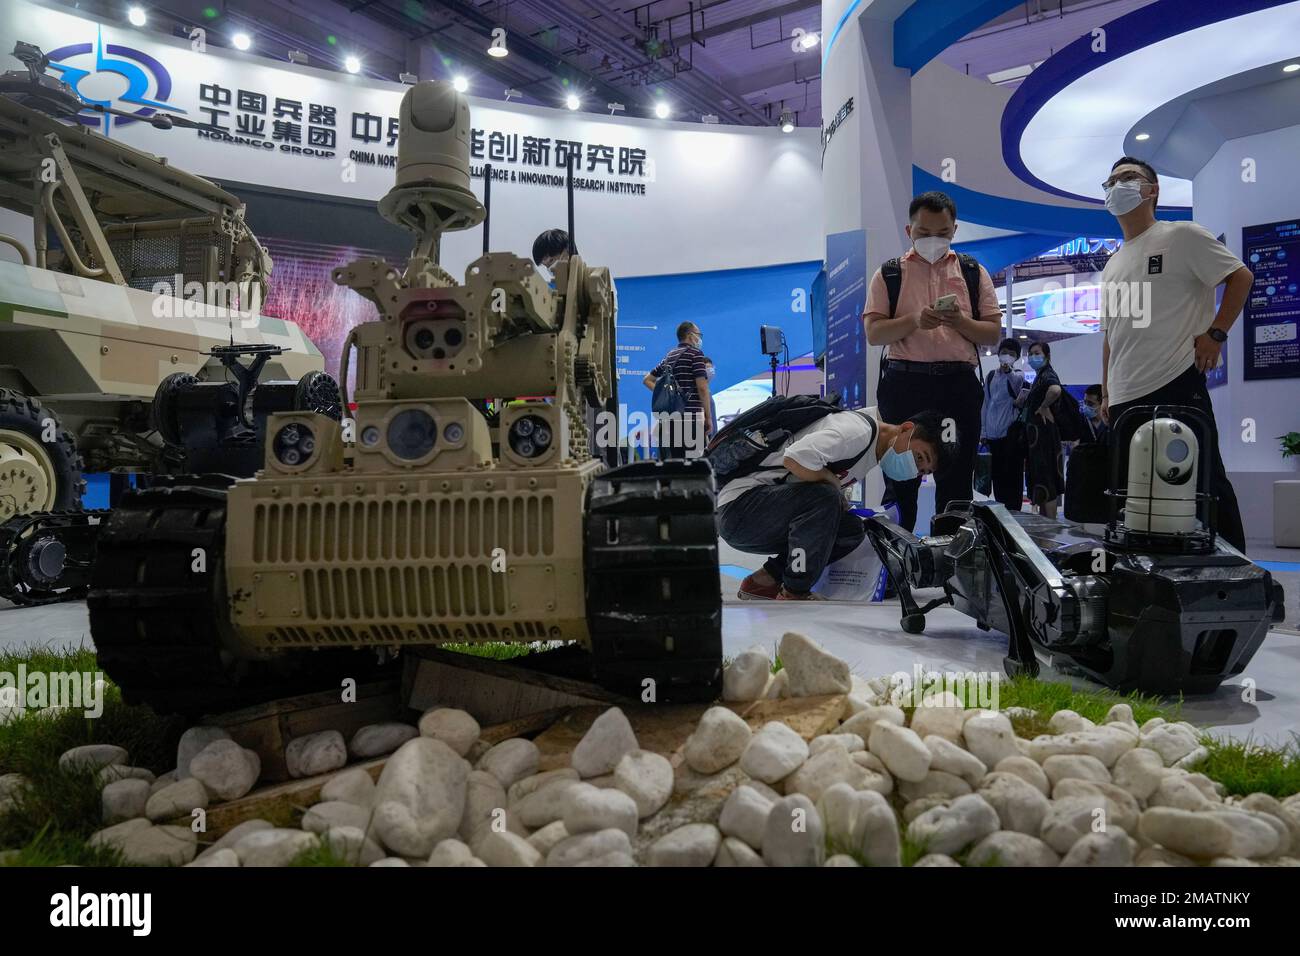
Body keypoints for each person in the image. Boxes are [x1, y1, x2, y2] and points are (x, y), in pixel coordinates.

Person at [1097, 156, 1252, 550]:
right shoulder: (1113, 263)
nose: (1117, 186)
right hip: (1125, 395)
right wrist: (1107, 391)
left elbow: (1241, 277)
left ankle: (1238, 569)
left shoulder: (1181, 236)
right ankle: (1151, 570)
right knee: (1136, 494)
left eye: (1128, 178)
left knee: (1202, 482)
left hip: (1175, 381)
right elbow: (1111, 334)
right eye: (1111, 182)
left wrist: (1216, 334)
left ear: (1152, 190)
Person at [863, 191, 1004, 531]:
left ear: (954, 230)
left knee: (956, 480)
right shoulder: (889, 274)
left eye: (942, 233)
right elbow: (874, 333)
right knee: (900, 478)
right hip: (904, 384)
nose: (933, 240)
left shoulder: (973, 272)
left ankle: (951, 555)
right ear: (909, 231)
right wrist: (913, 320)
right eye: (924, 232)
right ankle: (897, 556)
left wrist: (961, 322)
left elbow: (992, 333)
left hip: (957, 386)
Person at [718, 408, 956, 601]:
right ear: (906, 429)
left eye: (923, 471)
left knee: (851, 528)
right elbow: (794, 458)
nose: (916, 469)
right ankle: (794, 591)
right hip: (740, 509)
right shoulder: (857, 432)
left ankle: (764, 581)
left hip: (758, 510)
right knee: (825, 497)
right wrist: (833, 485)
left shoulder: (872, 449)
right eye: (919, 457)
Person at [643, 321, 712, 458]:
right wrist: (708, 417)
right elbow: (702, 388)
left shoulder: (669, 356)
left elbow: (647, 380)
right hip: (691, 417)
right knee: (695, 462)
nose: (700, 339)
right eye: (699, 335)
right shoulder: (696, 354)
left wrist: (667, 395)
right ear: (690, 335)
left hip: (671, 419)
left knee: (677, 462)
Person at [980, 338, 1027, 511]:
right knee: (997, 480)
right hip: (992, 438)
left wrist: (1008, 371)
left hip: (1011, 438)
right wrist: (983, 433)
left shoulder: (1019, 375)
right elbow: (985, 404)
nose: (1007, 356)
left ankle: (1015, 515)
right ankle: (1002, 516)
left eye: (1011, 354)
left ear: (1017, 358)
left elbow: (1016, 383)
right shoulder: (991, 376)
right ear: (998, 354)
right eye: (1004, 352)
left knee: (1013, 481)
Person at [1022, 341, 1064, 519]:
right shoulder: (1040, 376)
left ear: (1047, 356)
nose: (1033, 357)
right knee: (1042, 480)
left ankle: (1050, 525)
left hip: (1044, 437)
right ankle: (1046, 522)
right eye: (1030, 354)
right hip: (1037, 438)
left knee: (1047, 481)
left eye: (1037, 353)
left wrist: (1044, 406)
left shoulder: (1047, 374)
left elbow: (1055, 390)